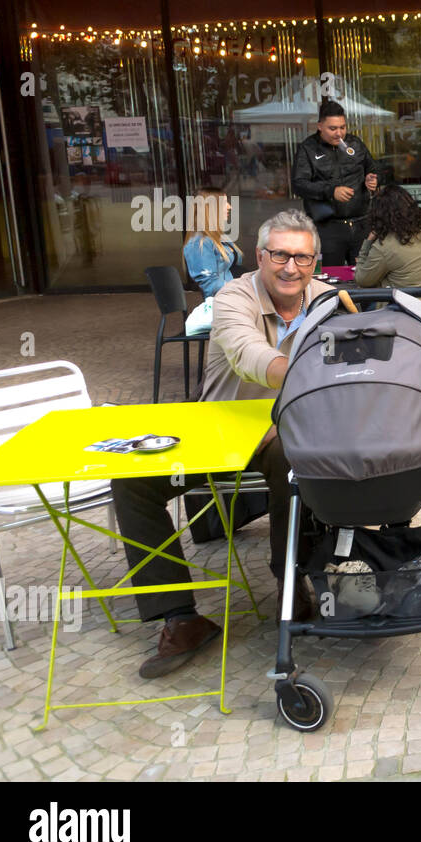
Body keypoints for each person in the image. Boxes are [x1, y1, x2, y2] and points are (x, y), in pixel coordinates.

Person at [110, 210, 334, 678]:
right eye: (280, 255)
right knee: (132, 479)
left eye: (302, 257)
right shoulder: (234, 296)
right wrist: (302, 372)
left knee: (296, 456)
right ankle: (179, 615)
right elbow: (246, 352)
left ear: (315, 261)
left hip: (286, 431)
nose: (291, 267)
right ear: (259, 256)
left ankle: (292, 585)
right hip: (219, 427)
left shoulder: (329, 298)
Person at [354, 185, 421, 337]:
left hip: (412, 315)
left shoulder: (385, 245)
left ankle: (379, 358)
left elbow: (362, 279)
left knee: (363, 310)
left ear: (379, 215)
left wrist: (368, 242)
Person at [291, 100, 378, 266]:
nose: (339, 133)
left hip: (361, 224)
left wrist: (372, 179)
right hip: (327, 228)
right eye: (333, 128)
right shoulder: (308, 149)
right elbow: (299, 184)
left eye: (343, 127)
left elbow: (373, 169)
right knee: (329, 279)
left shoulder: (355, 144)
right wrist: (331, 191)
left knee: (367, 277)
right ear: (320, 126)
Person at [182, 186, 243, 299]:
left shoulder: (219, 237)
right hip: (225, 303)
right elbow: (209, 286)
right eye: (224, 203)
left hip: (235, 296)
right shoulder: (198, 243)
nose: (230, 207)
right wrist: (242, 290)